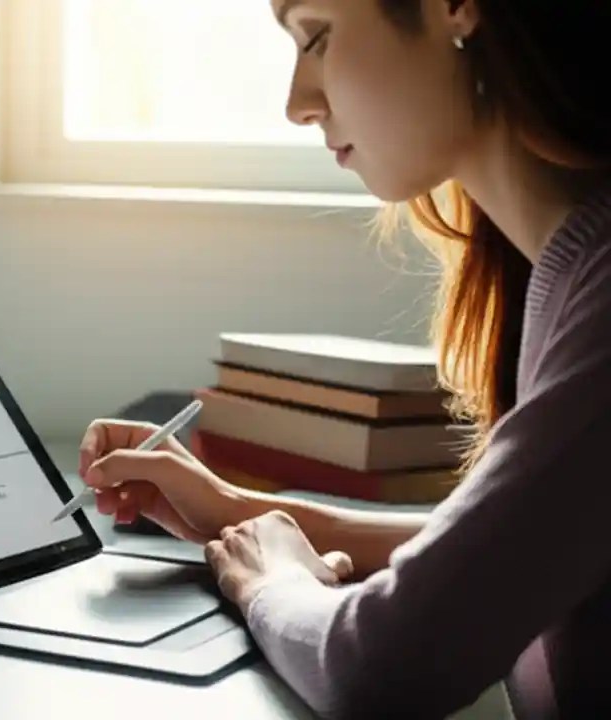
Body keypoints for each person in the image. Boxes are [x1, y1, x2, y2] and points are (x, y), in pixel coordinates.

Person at [77, 1, 611, 718]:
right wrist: (246, 516)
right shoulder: (572, 273)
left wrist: (270, 583)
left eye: (316, 37)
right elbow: (511, 554)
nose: (298, 103)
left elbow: (382, 664)